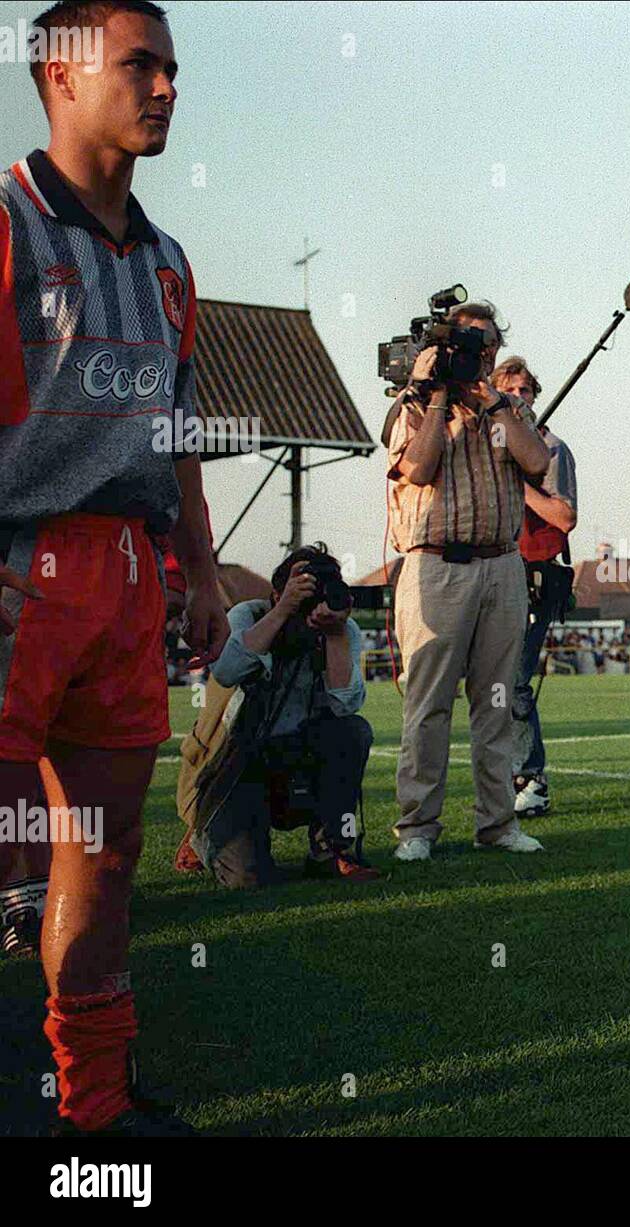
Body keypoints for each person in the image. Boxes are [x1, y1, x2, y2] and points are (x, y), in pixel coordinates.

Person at [0, 0, 228, 1133]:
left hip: (127, 577)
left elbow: (177, 427)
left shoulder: (172, 263)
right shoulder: (4, 224)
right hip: (15, 571)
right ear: (58, 74)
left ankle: (91, 1109)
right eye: (141, 65)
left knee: (102, 853)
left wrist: (201, 567)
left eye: (173, 68)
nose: (168, 87)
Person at [386, 302, 551, 859]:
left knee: (497, 703)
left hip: (502, 563)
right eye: (465, 344)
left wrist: (496, 405)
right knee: (428, 704)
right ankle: (417, 829)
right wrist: (436, 394)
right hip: (436, 564)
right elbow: (419, 467)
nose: (475, 356)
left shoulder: (507, 410)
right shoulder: (412, 404)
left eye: (485, 346)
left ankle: (498, 823)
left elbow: (536, 464)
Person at [198, 543, 379, 887]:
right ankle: (207, 835)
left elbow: (346, 706)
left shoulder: (340, 630)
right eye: (302, 596)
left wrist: (335, 636)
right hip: (244, 764)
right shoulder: (250, 616)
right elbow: (226, 671)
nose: (311, 609)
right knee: (245, 879)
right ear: (276, 594)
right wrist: (283, 611)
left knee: (353, 731)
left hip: (303, 761)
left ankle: (332, 849)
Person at [490, 357, 578, 820]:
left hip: (533, 575)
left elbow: (564, 516)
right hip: (490, 572)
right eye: (508, 391)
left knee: (515, 682)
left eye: (525, 391)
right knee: (488, 684)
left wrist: (517, 485)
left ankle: (530, 779)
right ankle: (501, 778)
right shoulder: (484, 446)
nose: (518, 398)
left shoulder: (552, 448)